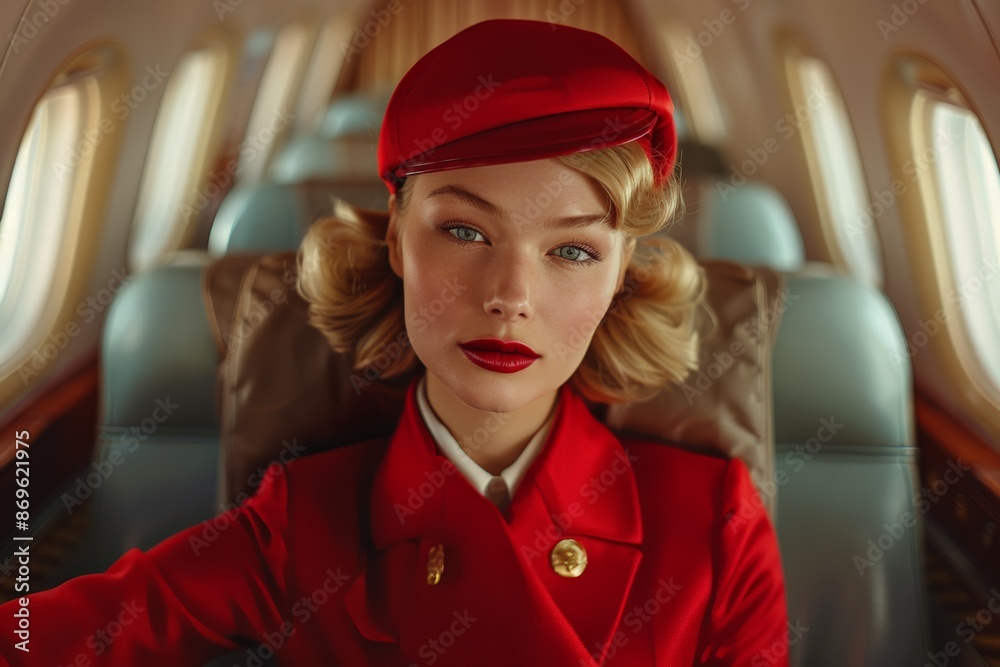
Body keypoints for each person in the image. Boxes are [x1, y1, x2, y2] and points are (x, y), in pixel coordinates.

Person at [0, 18, 788, 666]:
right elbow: (55, 639)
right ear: (396, 244)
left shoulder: (715, 526)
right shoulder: (303, 523)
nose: (509, 296)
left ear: (621, 274)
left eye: (572, 250)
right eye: (464, 230)